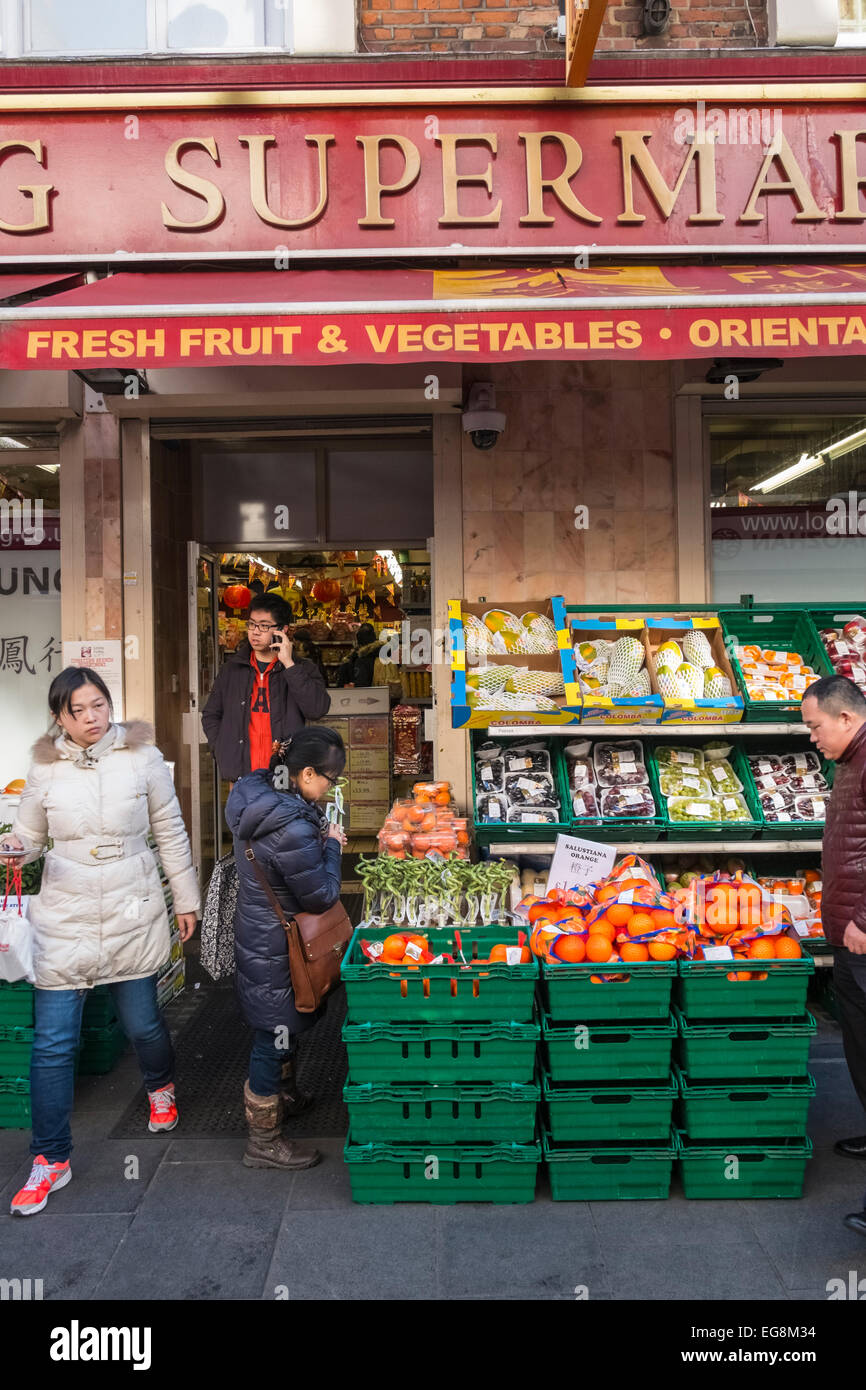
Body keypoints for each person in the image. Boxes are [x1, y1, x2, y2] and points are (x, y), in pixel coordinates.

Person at [0, 668, 200, 1217]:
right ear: (59, 717)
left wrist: (185, 899)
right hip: (64, 912)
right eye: (78, 710)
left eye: (99, 705)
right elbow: (34, 839)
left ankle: (161, 1085)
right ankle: (50, 1159)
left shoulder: (143, 758)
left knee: (142, 1024)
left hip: (131, 904)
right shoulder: (43, 766)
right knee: (53, 1043)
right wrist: (14, 848)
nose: (92, 718)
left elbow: (170, 828)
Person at [225, 726, 346, 1171]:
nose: (331, 789)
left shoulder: (254, 793)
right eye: (331, 780)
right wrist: (332, 845)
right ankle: (264, 1139)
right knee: (270, 1038)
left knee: (280, 1026)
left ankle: (284, 1096)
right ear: (307, 772)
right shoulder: (293, 826)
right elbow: (321, 896)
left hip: (261, 932)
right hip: (281, 942)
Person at [802, 675, 866, 1236]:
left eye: (815, 726)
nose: (812, 737)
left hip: (864, 932)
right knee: (858, 1039)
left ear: (846, 718)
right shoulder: (849, 762)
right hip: (847, 933)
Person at [201, 593, 330, 783]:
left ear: (282, 630)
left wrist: (289, 664)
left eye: (264, 626)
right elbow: (211, 714)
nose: (255, 631)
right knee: (243, 813)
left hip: (284, 775)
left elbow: (317, 709)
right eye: (252, 624)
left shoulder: (301, 669)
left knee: (282, 813)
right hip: (241, 774)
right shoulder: (232, 670)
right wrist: (222, 748)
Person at [337, 622, 383, 688]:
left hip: (362, 696)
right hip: (384, 693)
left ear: (359, 641)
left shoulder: (359, 659)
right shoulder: (385, 654)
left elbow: (361, 684)